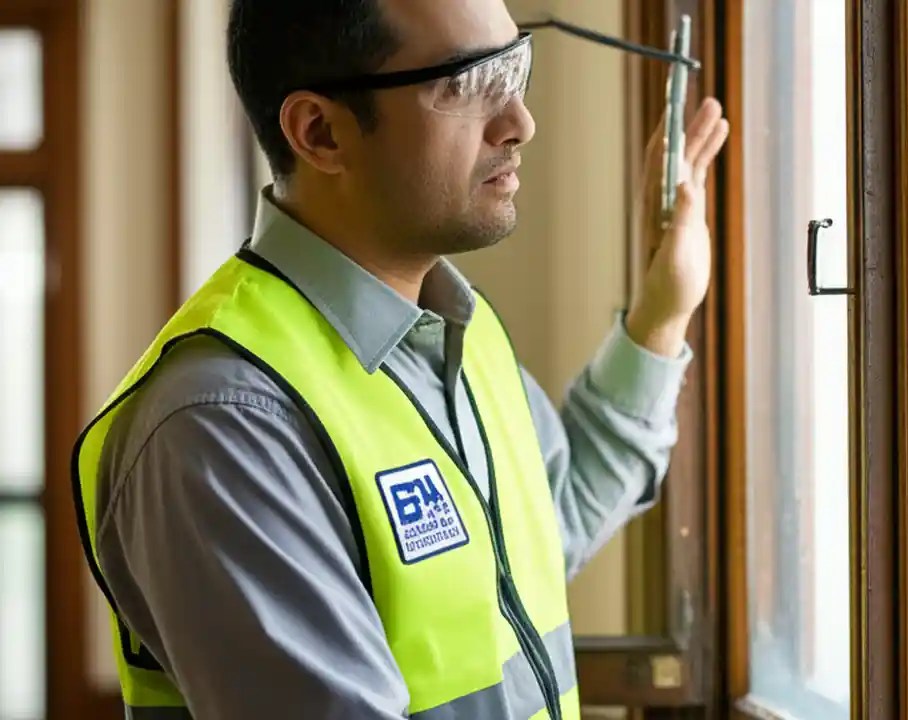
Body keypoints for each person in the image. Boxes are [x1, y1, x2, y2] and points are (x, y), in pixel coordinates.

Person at [70, 0, 729, 718]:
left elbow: (547, 527)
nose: (520, 123)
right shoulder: (223, 424)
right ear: (320, 132)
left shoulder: (457, 333)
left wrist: (663, 314)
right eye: (469, 84)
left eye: (515, 68)